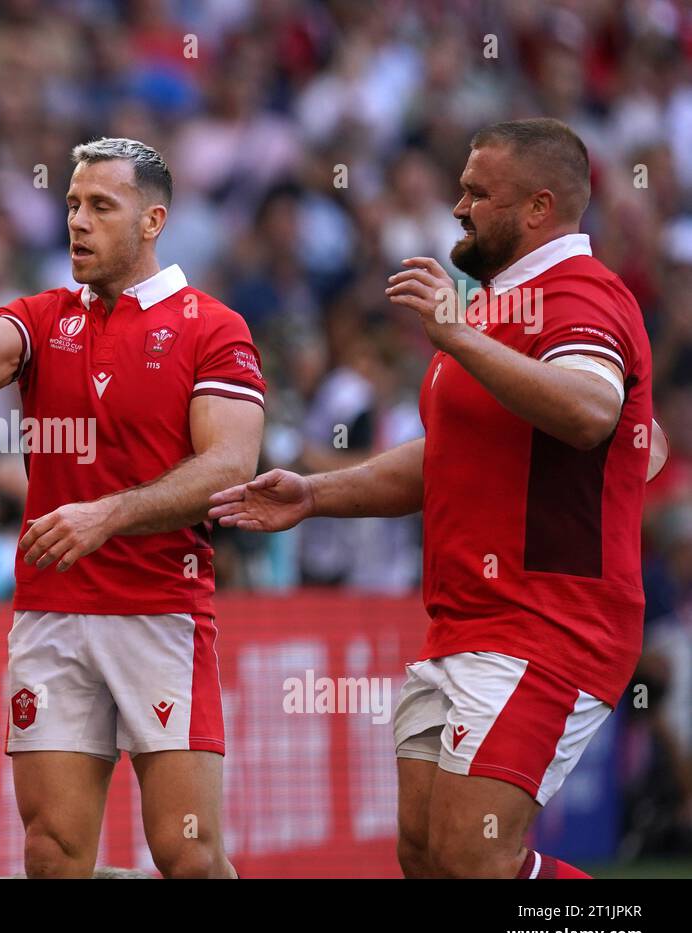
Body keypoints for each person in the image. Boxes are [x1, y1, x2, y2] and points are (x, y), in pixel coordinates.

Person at [211, 118, 653, 879]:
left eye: (480, 194)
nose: (458, 207)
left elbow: (589, 410)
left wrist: (457, 336)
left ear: (539, 208)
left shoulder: (580, 295)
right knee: (427, 858)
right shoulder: (490, 309)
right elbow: (444, 458)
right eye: (461, 188)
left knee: (471, 854)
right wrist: (316, 493)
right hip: (465, 622)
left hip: (550, 624)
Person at [0, 123, 266, 878]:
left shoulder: (212, 327)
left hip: (161, 610)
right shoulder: (43, 318)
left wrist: (109, 514)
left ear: (152, 221)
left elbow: (230, 464)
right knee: (53, 854)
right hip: (52, 614)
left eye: (101, 205)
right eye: (72, 203)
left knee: (189, 855)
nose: (76, 220)